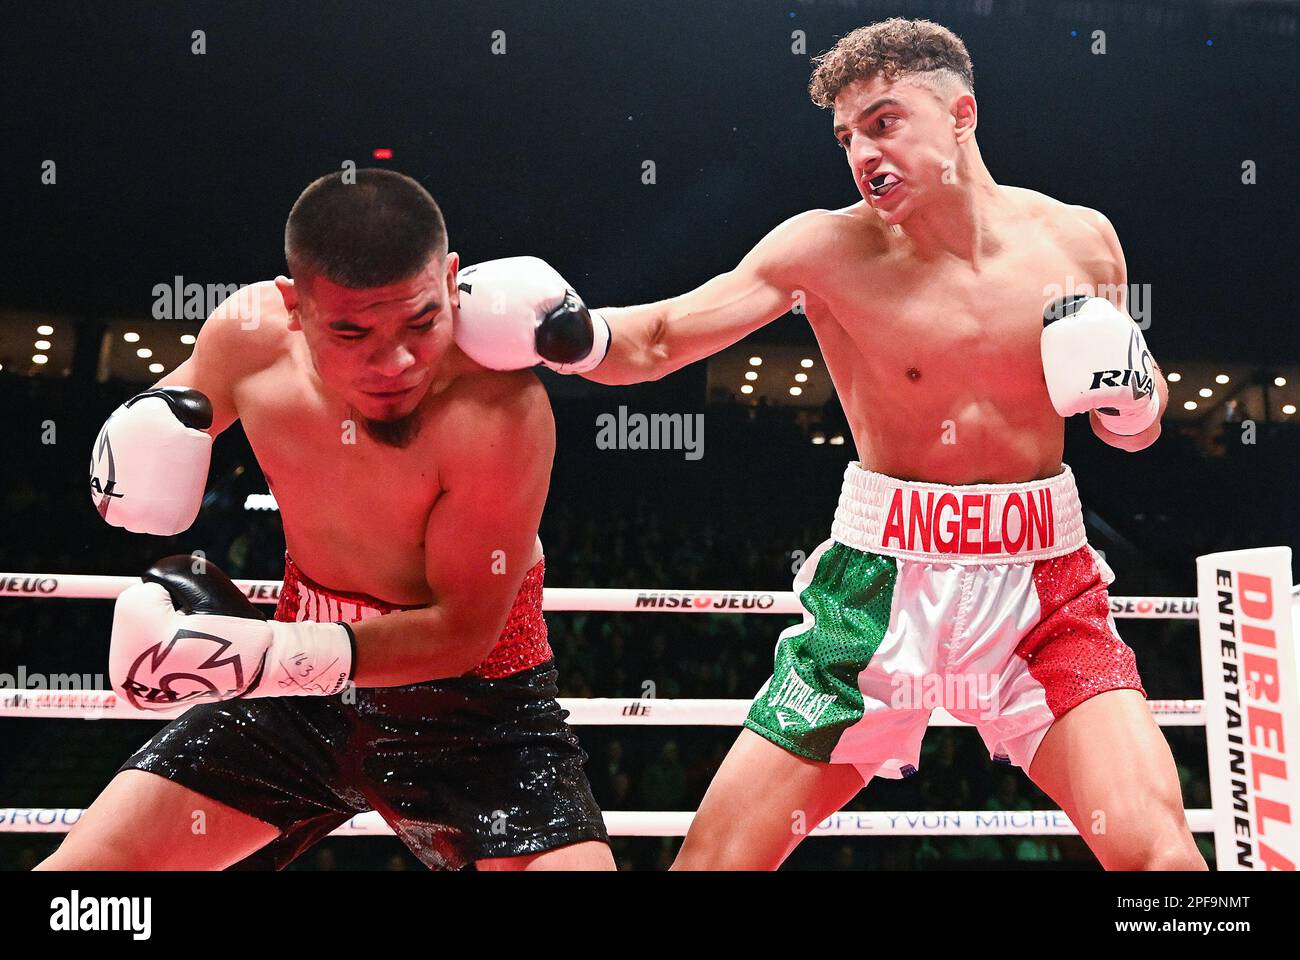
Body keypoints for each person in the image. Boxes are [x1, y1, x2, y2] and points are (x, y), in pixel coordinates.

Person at [458, 18, 1204, 870]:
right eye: (847, 135)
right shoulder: (825, 248)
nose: (861, 153)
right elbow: (664, 336)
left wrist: (1135, 407)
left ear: (961, 113)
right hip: (874, 593)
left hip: (1043, 588)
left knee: (1163, 860)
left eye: (884, 121)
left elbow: (1133, 424)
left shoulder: (1080, 241)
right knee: (715, 864)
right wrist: (569, 334)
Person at [45, 168, 613, 871]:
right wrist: (135, 441)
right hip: (293, 703)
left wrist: (249, 660)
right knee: (81, 889)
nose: (395, 362)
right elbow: (158, 430)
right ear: (293, 305)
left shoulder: (501, 410)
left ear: (451, 280)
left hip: (474, 713)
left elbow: (462, 631)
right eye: (351, 331)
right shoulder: (246, 341)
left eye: (421, 320)